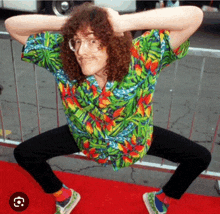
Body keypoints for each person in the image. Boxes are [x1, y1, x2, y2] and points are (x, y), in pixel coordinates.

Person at [5, 3, 211, 214]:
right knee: (25, 153)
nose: (82, 51)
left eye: (93, 40)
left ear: (113, 40)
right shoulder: (63, 58)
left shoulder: (141, 56)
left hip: (135, 138)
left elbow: (193, 16)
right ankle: (64, 196)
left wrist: (124, 22)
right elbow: (13, 25)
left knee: (200, 157)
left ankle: (163, 198)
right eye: (77, 41)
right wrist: (71, 24)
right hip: (86, 138)